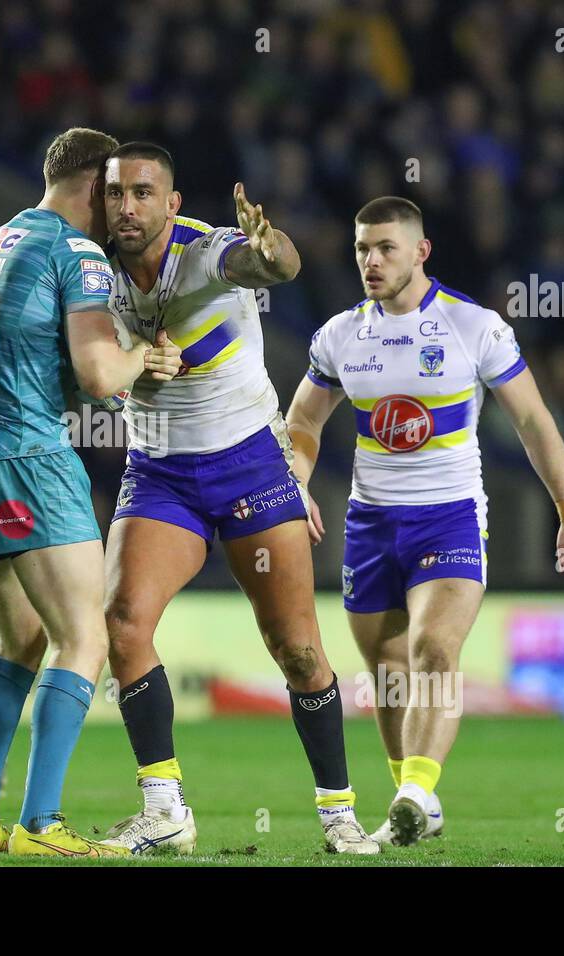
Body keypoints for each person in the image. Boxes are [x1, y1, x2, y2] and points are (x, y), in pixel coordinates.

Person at [284, 196, 564, 845]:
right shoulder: (341, 335)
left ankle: (415, 790)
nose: (371, 261)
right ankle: (414, 806)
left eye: (386, 248)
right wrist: (297, 485)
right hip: (370, 524)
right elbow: (304, 422)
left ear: (420, 251)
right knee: (389, 671)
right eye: (362, 248)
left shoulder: (473, 327)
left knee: (434, 649)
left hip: (449, 518)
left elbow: (534, 422)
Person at [97, 142, 377, 855]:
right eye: (115, 194)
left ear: (172, 204)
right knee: (124, 622)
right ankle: (166, 810)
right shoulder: (88, 269)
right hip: (160, 472)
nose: (127, 207)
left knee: (297, 650)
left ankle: (338, 812)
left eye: (142, 193)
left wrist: (271, 243)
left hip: (251, 466)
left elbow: (274, 263)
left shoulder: (209, 251)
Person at [0, 128, 182, 856]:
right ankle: (40, 824)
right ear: (88, 187)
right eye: (113, 193)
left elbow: (34, 353)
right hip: (27, 459)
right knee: (86, 637)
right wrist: (146, 357)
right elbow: (102, 375)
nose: (121, 210)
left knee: (21, 638)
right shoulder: (75, 252)